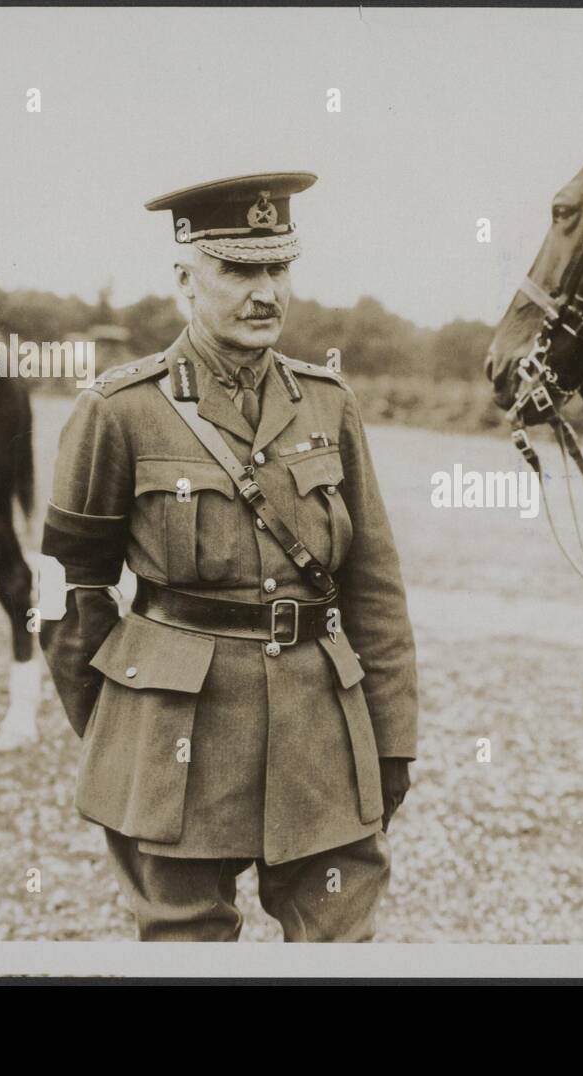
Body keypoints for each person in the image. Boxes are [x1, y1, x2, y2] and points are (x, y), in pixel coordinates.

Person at [38, 173, 418, 941]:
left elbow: (374, 586)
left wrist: (392, 737)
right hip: (175, 734)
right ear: (185, 277)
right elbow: (68, 594)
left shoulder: (327, 404)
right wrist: (122, 726)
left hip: (321, 726)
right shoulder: (118, 411)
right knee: (187, 945)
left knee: (343, 943)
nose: (265, 292)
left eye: (279, 269)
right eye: (240, 269)